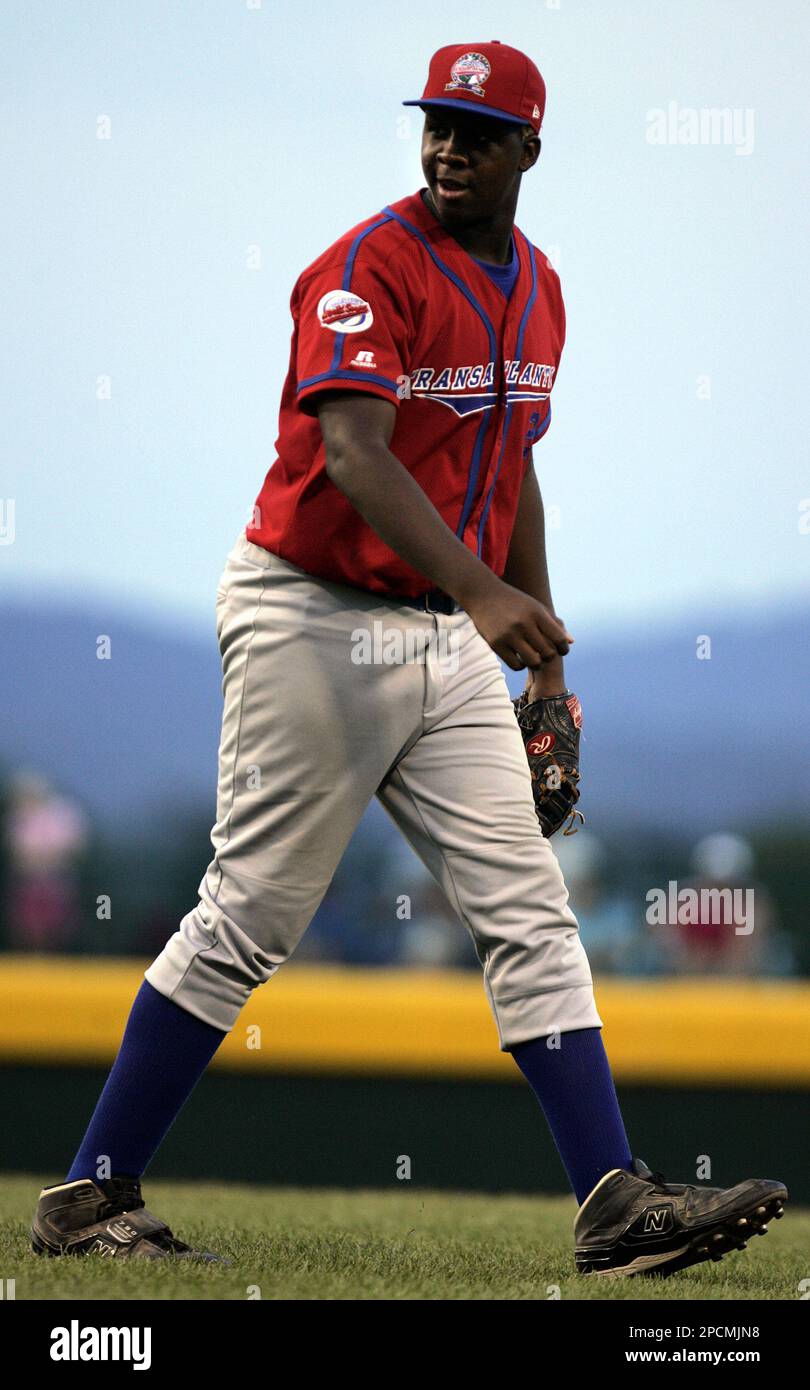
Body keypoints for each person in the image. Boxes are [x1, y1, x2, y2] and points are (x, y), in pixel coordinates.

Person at [31, 41, 786, 1277]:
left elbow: (513, 457)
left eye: (476, 132)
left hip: (447, 630)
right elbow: (354, 452)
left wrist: (542, 661)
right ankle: (90, 1194)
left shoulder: (538, 284)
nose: (447, 146)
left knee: (532, 909)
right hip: (313, 612)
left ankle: (613, 1200)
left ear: (528, 151)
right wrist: (488, 595)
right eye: (435, 123)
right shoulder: (366, 264)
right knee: (249, 918)